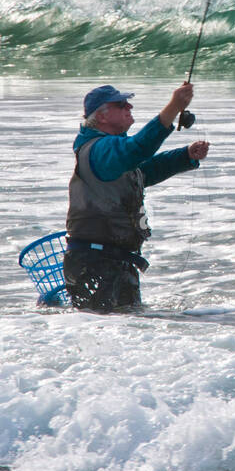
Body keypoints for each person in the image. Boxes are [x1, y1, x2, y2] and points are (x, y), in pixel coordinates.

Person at [63, 82, 210, 311]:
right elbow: (138, 148)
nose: (128, 106)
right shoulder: (99, 149)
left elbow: (143, 172)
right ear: (101, 117)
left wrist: (184, 156)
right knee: (105, 329)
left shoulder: (113, 151)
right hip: (94, 262)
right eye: (120, 104)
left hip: (116, 261)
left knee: (124, 328)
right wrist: (173, 108)